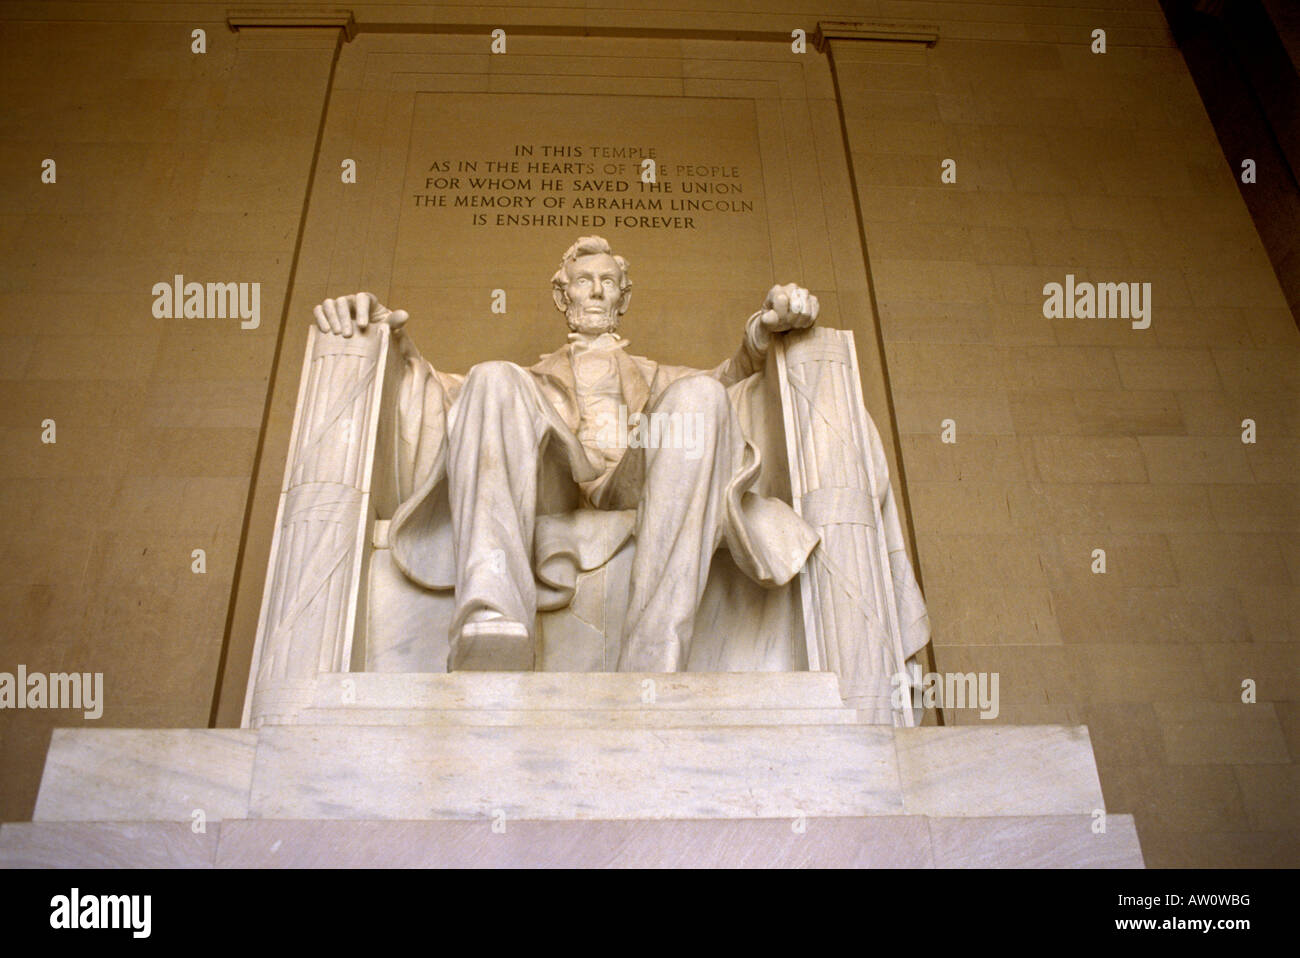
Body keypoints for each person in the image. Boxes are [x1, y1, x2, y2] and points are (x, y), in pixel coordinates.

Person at [313, 236, 820, 671]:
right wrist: (388, 338)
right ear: (562, 295)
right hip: (556, 483)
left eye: (608, 282)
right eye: (583, 281)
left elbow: (733, 377)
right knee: (492, 375)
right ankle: (493, 617)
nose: (596, 290)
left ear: (624, 297)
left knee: (702, 399)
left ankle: (654, 652)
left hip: (636, 480)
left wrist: (765, 329)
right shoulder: (524, 385)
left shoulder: (661, 378)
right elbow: (437, 398)